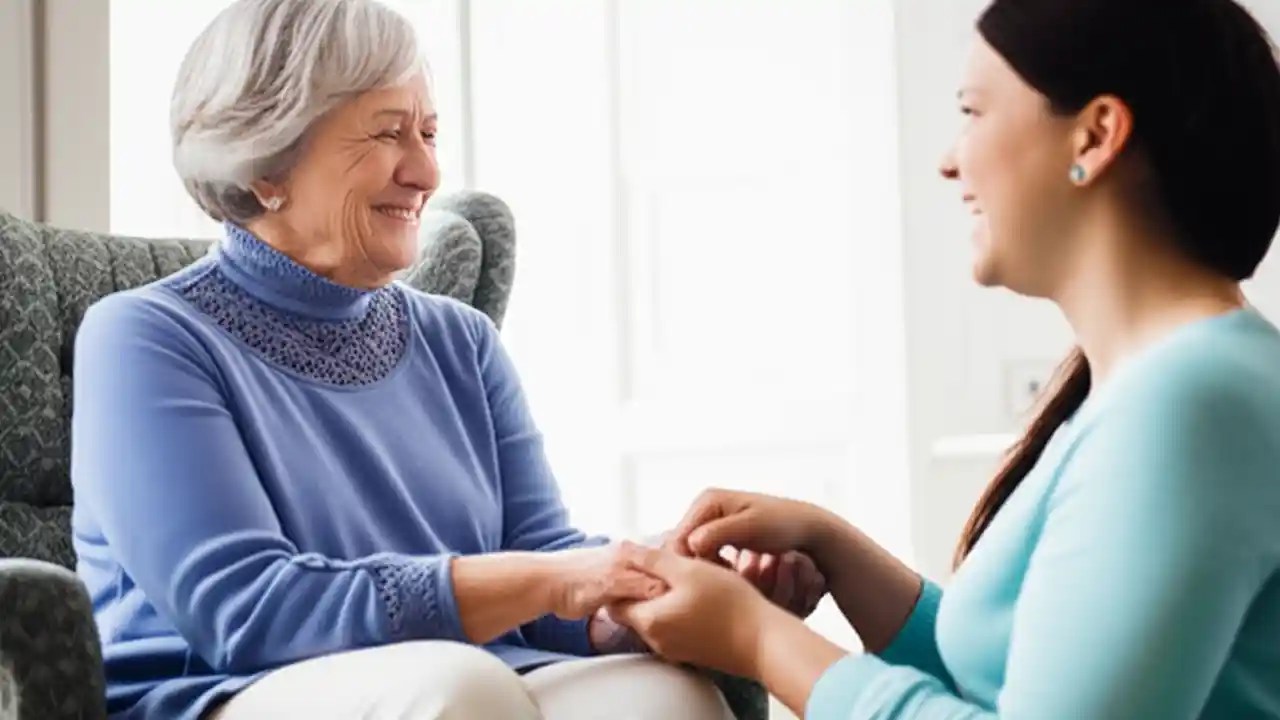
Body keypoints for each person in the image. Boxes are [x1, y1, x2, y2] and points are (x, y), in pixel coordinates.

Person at [70, 1, 823, 718]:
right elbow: (249, 612)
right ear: (265, 166)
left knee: (657, 699)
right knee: (457, 692)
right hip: (221, 690)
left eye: (429, 134)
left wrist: (673, 586)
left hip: (467, 674)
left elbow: (545, 571)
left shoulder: (460, 340)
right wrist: (555, 580)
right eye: (387, 134)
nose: (426, 173)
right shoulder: (145, 338)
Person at [604, 0, 1280, 718]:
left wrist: (757, 639)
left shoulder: (1186, 408)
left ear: (1096, 134)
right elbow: (1019, 679)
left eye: (973, 112)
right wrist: (830, 547)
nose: (949, 159)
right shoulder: (1178, 385)